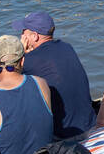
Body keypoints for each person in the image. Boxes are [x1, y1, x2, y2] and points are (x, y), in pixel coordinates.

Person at [16, 12, 95, 140]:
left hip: (64, 135)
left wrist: (22, 55)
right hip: (89, 125)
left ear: (34, 36)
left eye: (23, 31)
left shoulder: (28, 61)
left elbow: (11, 83)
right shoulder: (66, 47)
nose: (21, 35)